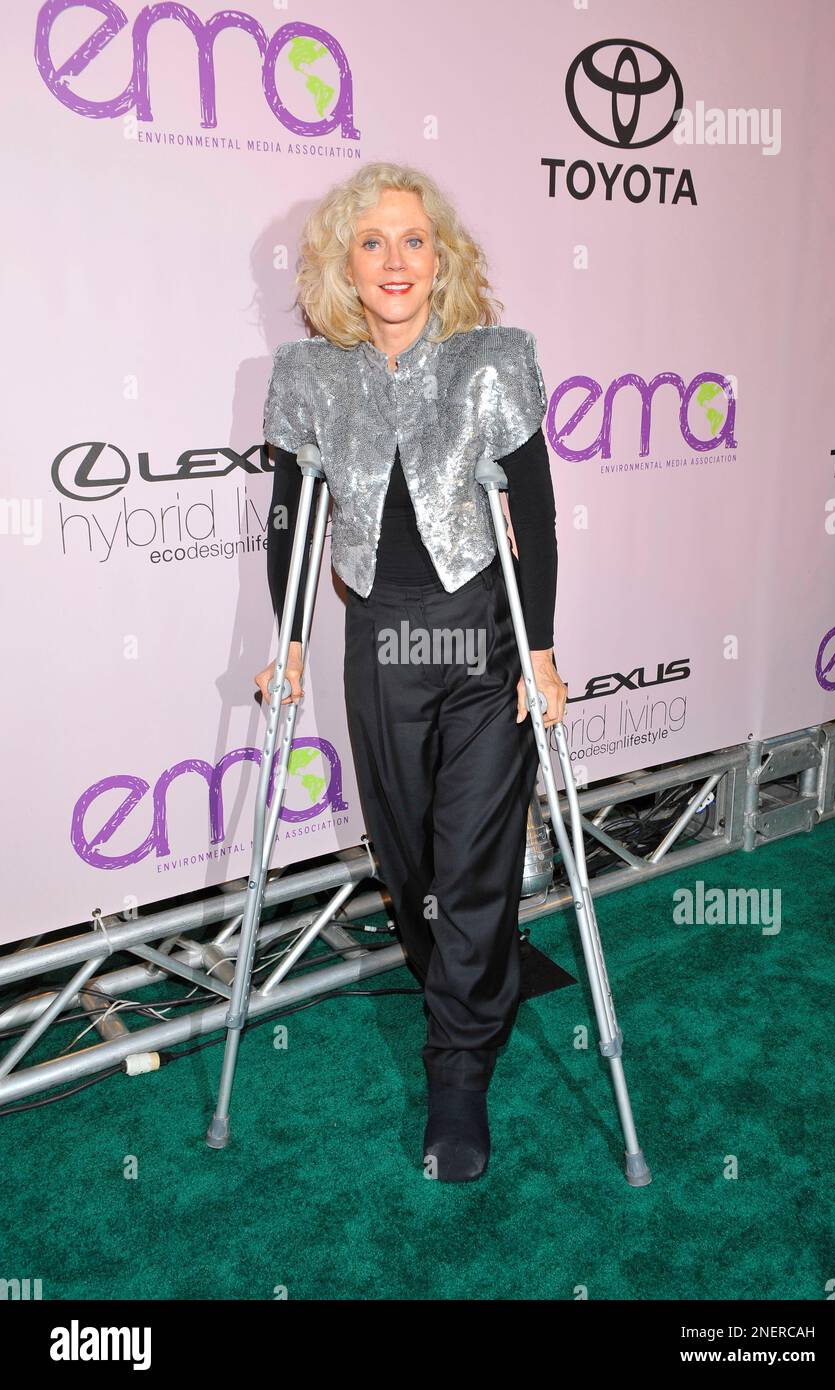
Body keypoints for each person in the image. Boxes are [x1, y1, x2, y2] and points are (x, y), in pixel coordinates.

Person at [255, 162, 565, 1182]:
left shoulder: (492, 360)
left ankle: (458, 1072)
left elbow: (534, 515)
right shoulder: (309, 375)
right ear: (343, 265)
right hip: (381, 640)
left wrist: (540, 652)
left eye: (414, 240)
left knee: (472, 854)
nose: (395, 261)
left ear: (442, 259)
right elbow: (291, 519)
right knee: (410, 857)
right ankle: (475, 978)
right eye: (372, 242)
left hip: (480, 638)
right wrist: (287, 641)